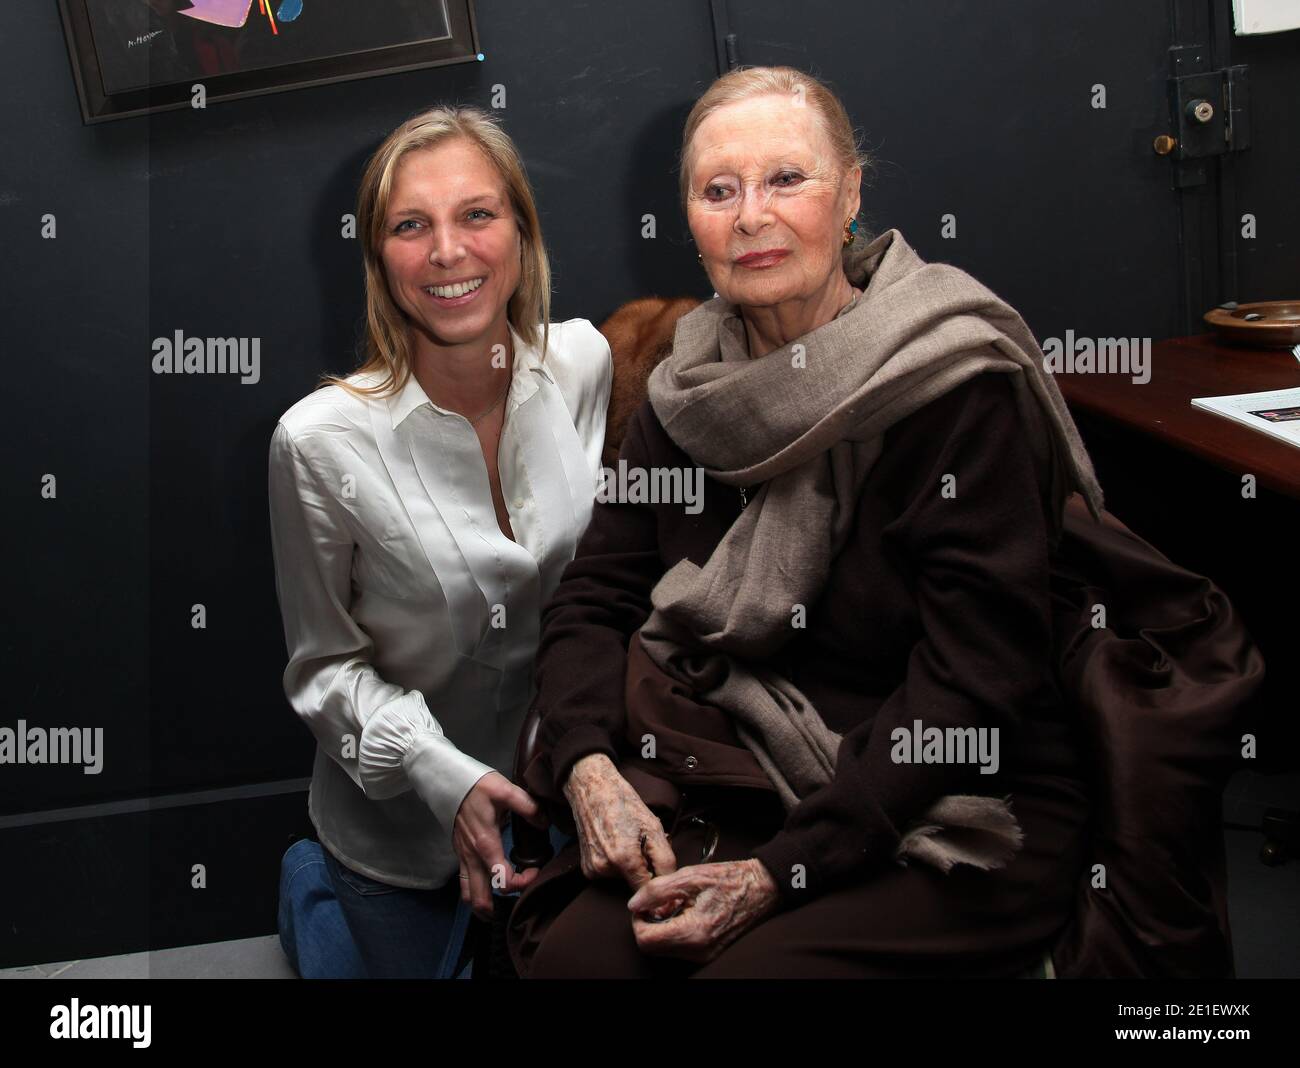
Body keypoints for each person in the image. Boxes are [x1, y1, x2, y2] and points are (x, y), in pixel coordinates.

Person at [506, 66, 1105, 978]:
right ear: (690, 219)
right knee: (576, 964)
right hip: (745, 763)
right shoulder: (681, 394)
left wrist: (780, 873)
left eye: (787, 179)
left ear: (852, 193)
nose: (752, 216)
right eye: (719, 191)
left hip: (949, 792)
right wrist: (587, 763)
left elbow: (977, 681)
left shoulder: (953, 387)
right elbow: (595, 597)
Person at [268, 105, 610, 978]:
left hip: (559, 797)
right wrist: (442, 776)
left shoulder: (584, 363)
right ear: (379, 259)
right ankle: (308, 884)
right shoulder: (317, 443)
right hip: (400, 834)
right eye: (410, 226)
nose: (448, 252)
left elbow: (602, 590)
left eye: (477, 214)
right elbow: (322, 670)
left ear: (522, 234)